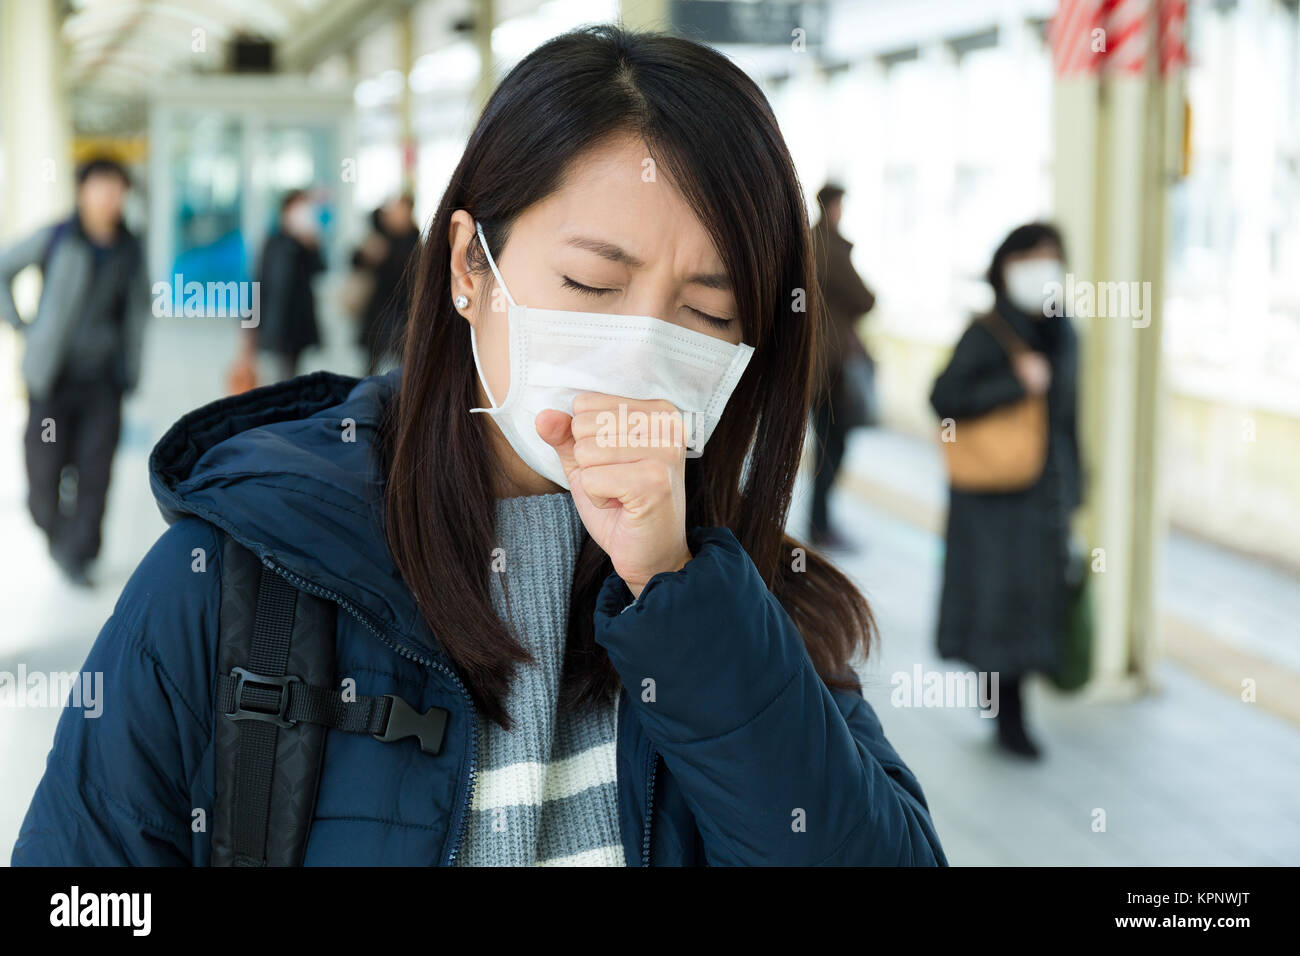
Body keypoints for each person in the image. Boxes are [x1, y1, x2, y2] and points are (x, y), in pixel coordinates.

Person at [12, 25, 946, 866]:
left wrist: (675, 589)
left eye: (706, 312)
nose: (636, 352)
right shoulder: (228, 580)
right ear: (469, 266)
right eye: (590, 282)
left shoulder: (742, 602)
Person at [929, 222, 1082, 760]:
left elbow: (1068, 420)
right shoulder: (991, 331)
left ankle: (1010, 711)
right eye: (1032, 256)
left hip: (1044, 495)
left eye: (1053, 257)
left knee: (1033, 602)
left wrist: (1077, 488)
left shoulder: (1064, 332)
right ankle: (1008, 717)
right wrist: (1016, 382)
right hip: (992, 500)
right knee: (998, 605)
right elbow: (942, 396)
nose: (1045, 268)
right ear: (1006, 266)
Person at [0, 156, 149, 587]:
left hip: (104, 382)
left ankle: (79, 555)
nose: (108, 197)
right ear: (81, 191)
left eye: (116, 187)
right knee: (43, 480)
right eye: (99, 187)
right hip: (54, 382)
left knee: (95, 473)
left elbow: (138, 310)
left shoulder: (131, 248)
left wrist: (131, 365)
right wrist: (23, 326)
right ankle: (58, 534)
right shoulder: (57, 238)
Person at [809, 182, 876, 550]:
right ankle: (820, 526)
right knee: (831, 448)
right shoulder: (830, 246)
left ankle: (819, 523)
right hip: (831, 368)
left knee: (825, 447)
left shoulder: (807, 242)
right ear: (832, 206)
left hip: (815, 367)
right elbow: (865, 298)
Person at [242, 188, 325, 382]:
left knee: (292, 369)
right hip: (277, 319)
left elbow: (321, 270)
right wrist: (249, 323)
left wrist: (312, 244)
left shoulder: (308, 243)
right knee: (282, 371)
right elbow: (260, 282)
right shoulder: (273, 242)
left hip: (300, 321)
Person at [351, 193, 420, 374]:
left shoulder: (413, 238)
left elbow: (411, 272)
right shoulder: (380, 235)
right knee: (371, 363)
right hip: (378, 308)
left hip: (402, 311)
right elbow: (355, 261)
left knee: (403, 364)